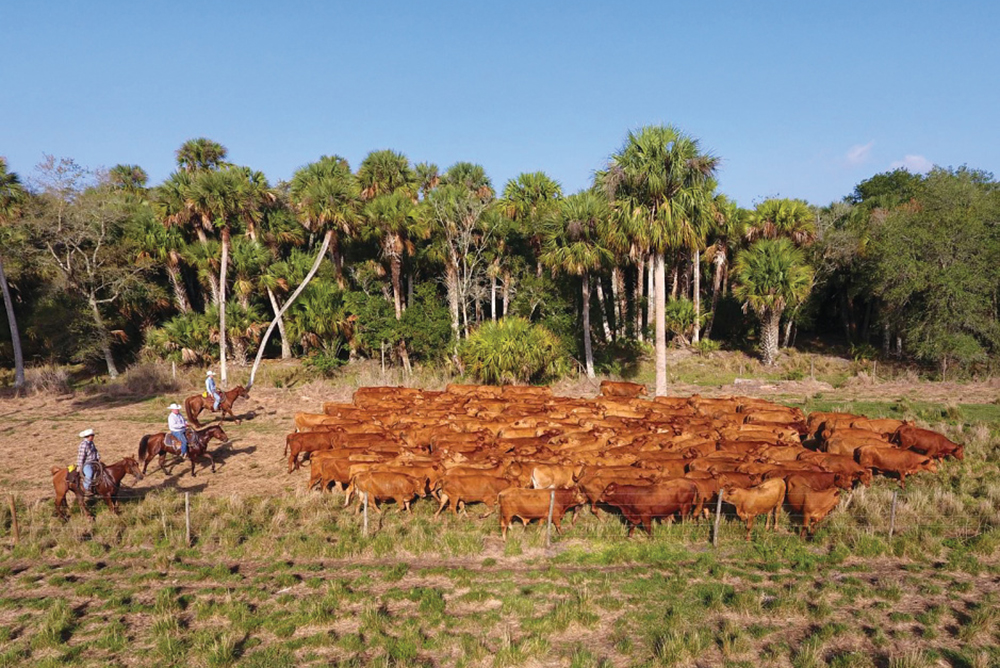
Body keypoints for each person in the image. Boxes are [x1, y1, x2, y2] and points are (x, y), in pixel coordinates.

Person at [76, 428, 100, 494]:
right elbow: (81, 456)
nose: (93, 437)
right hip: (87, 463)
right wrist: (79, 466)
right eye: (92, 435)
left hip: (94, 462)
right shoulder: (83, 445)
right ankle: (85, 489)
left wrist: (98, 457)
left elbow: (95, 451)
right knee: (89, 474)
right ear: (88, 436)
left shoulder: (91, 443)